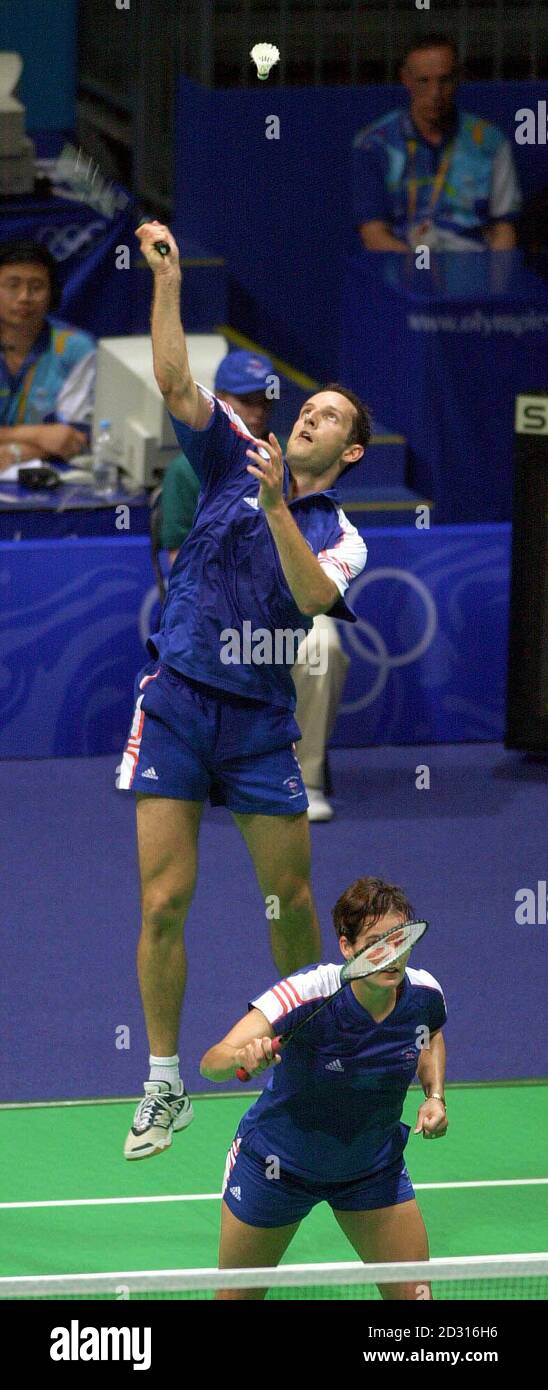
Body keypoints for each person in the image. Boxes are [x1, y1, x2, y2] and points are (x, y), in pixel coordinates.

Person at [119, 219, 369, 1161]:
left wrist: (275, 508)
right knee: (162, 903)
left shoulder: (343, 531)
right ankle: (164, 1083)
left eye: (333, 417)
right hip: (179, 701)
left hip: (260, 725)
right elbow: (179, 383)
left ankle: (304, 1055)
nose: (311, 415)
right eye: (311, 406)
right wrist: (171, 281)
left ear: (349, 454)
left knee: (291, 903)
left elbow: (312, 595)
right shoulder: (231, 451)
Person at [201, 875, 448, 1301]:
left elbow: (430, 1037)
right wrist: (241, 1057)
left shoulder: (424, 993)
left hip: (371, 1170)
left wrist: (434, 1096)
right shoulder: (306, 993)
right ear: (347, 947)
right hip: (276, 1169)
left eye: (400, 939)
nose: (392, 955)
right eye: (376, 941)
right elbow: (211, 1063)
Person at [160, 347, 351, 822]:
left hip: (278, 616)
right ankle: (202, 759)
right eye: (245, 400)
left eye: (265, 400)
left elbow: (314, 593)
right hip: (213, 611)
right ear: (221, 399)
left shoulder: (297, 475)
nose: (257, 410)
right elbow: (178, 557)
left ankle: (304, 777)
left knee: (323, 645)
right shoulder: (201, 461)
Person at [353, 33, 522, 253]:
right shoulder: (373, 144)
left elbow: (504, 229)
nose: (435, 93)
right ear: (406, 79)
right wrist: (418, 271)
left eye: (445, 80)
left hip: (471, 269)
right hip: (401, 265)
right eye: (424, 81)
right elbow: (373, 234)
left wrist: (495, 280)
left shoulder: (491, 142)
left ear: (459, 78)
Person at [0, 240, 95, 474]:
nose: (24, 297)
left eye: (37, 286)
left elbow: (72, 440)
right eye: (13, 285)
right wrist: (40, 435)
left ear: (51, 293)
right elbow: (54, 437)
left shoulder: (75, 348)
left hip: (56, 476)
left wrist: (15, 452)